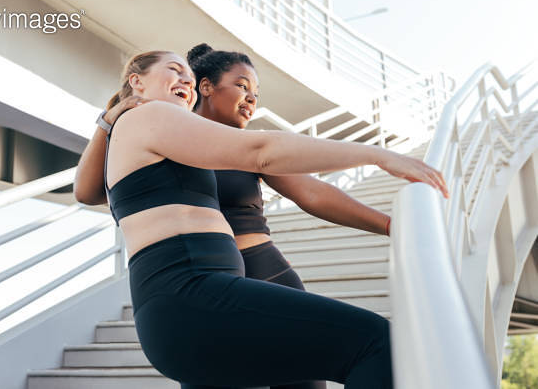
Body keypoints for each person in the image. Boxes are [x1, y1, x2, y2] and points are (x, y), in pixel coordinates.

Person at [74, 49, 448, 388]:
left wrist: (390, 225)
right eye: (175, 71)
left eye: (188, 74)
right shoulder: (148, 117)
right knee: (377, 343)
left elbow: (306, 187)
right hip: (195, 291)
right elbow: (262, 151)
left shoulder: (162, 135)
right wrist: (375, 155)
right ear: (136, 81)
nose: (185, 80)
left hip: (191, 302)